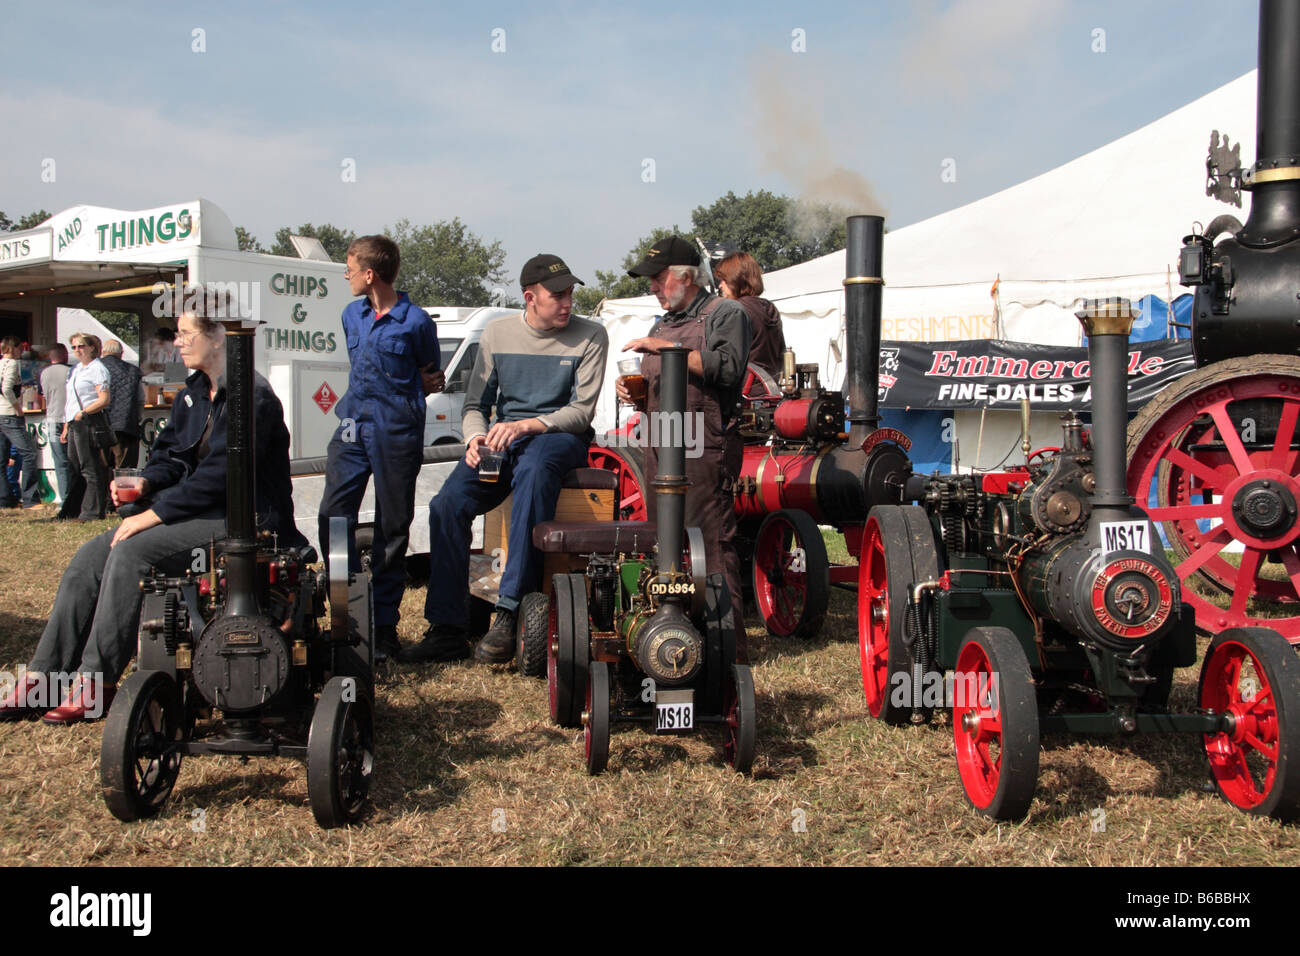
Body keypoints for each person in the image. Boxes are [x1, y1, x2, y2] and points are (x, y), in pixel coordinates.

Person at [0, 306, 306, 724]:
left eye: (184, 334)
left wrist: (154, 514)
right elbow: (171, 456)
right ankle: (42, 681)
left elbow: (221, 477)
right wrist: (146, 482)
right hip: (199, 513)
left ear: (218, 337)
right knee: (89, 558)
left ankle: (96, 684)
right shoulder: (193, 392)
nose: (176, 342)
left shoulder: (253, 397)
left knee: (131, 554)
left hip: (247, 522)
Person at [403, 254, 608, 664]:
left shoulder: (592, 335)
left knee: (533, 474)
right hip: (502, 441)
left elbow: (581, 412)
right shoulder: (497, 335)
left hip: (558, 438)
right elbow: (475, 405)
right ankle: (447, 626)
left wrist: (527, 425)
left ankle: (510, 611)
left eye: (571, 293)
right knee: (446, 506)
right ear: (530, 297)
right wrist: (475, 437)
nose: (568, 302)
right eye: (558, 295)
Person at [618, 236, 750, 642]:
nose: (653, 288)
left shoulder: (725, 313)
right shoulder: (663, 322)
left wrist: (665, 348)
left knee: (709, 543)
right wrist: (636, 392)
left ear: (686, 276)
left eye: (658, 279)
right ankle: (671, 635)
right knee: (664, 540)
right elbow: (661, 381)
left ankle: (726, 645)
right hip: (661, 442)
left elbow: (727, 369)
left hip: (702, 444)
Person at [318, 235, 442, 663]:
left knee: (393, 529)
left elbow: (431, 375)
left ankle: (384, 627)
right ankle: (346, 612)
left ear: (370, 274)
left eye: (350, 268)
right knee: (333, 517)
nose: (347, 274)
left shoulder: (417, 322)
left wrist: (425, 385)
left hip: (397, 432)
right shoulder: (350, 314)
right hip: (352, 427)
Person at [57, 332, 112, 522]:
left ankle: (93, 511)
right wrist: (66, 425)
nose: (77, 350)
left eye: (81, 346)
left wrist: (84, 412)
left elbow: (104, 399)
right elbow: (71, 400)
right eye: (74, 347)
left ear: (91, 347)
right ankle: (72, 509)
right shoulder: (76, 370)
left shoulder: (98, 369)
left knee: (89, 467)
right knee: (75, 466)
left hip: (88, 421)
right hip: (75, 422)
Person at [714, 251, 786, 379]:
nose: (720, 286)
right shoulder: (769, 307)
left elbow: (724, 361)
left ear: (736, 279)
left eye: (724, 280)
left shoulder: (736, 310)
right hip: (770, 387)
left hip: (743, 392)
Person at [0, 336, 42, 509]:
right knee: (29, 454)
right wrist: (17, 406)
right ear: (13, 348)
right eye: (20, 348)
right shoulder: (12, 364)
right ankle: (30, 498)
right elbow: (6, 388)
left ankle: (4, 498)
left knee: (1, 459)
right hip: (9, 414)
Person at [99, 339, 144, 468]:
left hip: (101, 425)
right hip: (126, 426)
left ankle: (105, 488)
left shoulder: (95, 368)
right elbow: (141, 399)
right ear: (121, 353)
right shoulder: (133, 371)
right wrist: (137, 418)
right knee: (124, 468)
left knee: (102, 468)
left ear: (103, 352)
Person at [40, 344, 71, 504]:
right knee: (76, 461)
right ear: (65, 354)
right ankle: (75, 498)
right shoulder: (72, 371)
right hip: (70, 419)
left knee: (60, 462)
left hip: (52, 418)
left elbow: (44, 395)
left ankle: (65, 499)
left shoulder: (44, 373)